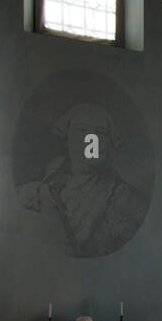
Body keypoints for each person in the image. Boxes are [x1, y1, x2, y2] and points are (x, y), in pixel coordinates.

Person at [16, 103, 149, 257]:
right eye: (81, 130)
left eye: (101, 132)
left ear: (110, 143)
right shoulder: (37, 191)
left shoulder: (130, 203)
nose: (91, 139)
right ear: (67, 140)